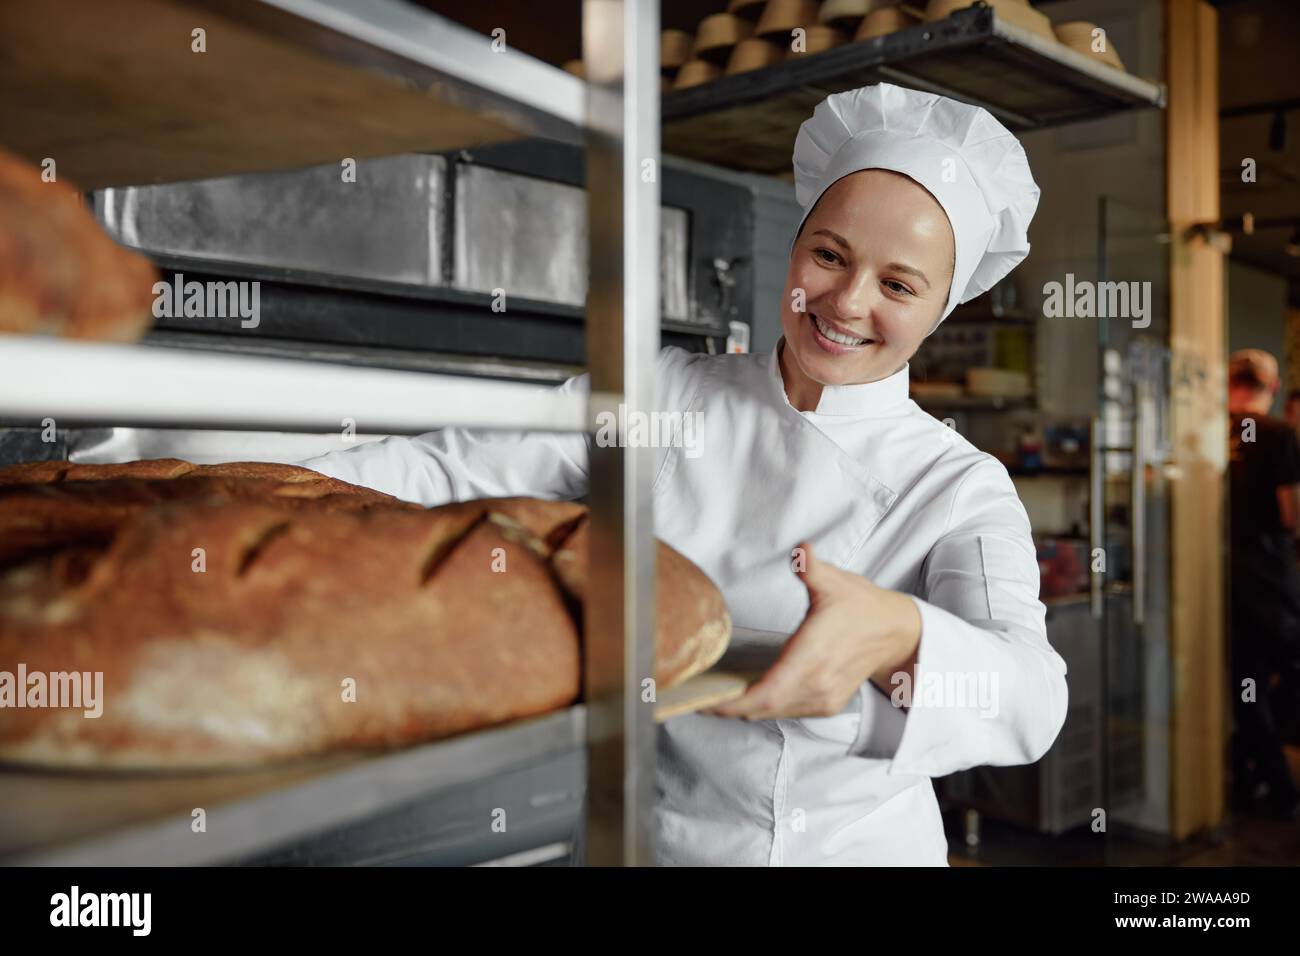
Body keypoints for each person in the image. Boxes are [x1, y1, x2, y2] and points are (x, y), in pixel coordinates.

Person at [300, 83, 1068, 865]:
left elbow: (1032, 696)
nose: (845, 301)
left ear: (939, 308)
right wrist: (240, 493)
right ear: (797, 246)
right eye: (828, 255)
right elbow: (450, 468)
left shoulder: (954, 484)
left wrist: (902, 635)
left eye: (898, 284)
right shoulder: (665, 391)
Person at [1227, 349, 1300, 819]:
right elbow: (1291, 515)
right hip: (1270, 579)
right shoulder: (1278, 434)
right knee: (1284, 671)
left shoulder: (1210, 431)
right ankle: (1269, 779)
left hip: (1224, 581)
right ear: (1271, 389)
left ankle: (1255, 774)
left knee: (1247, 682)